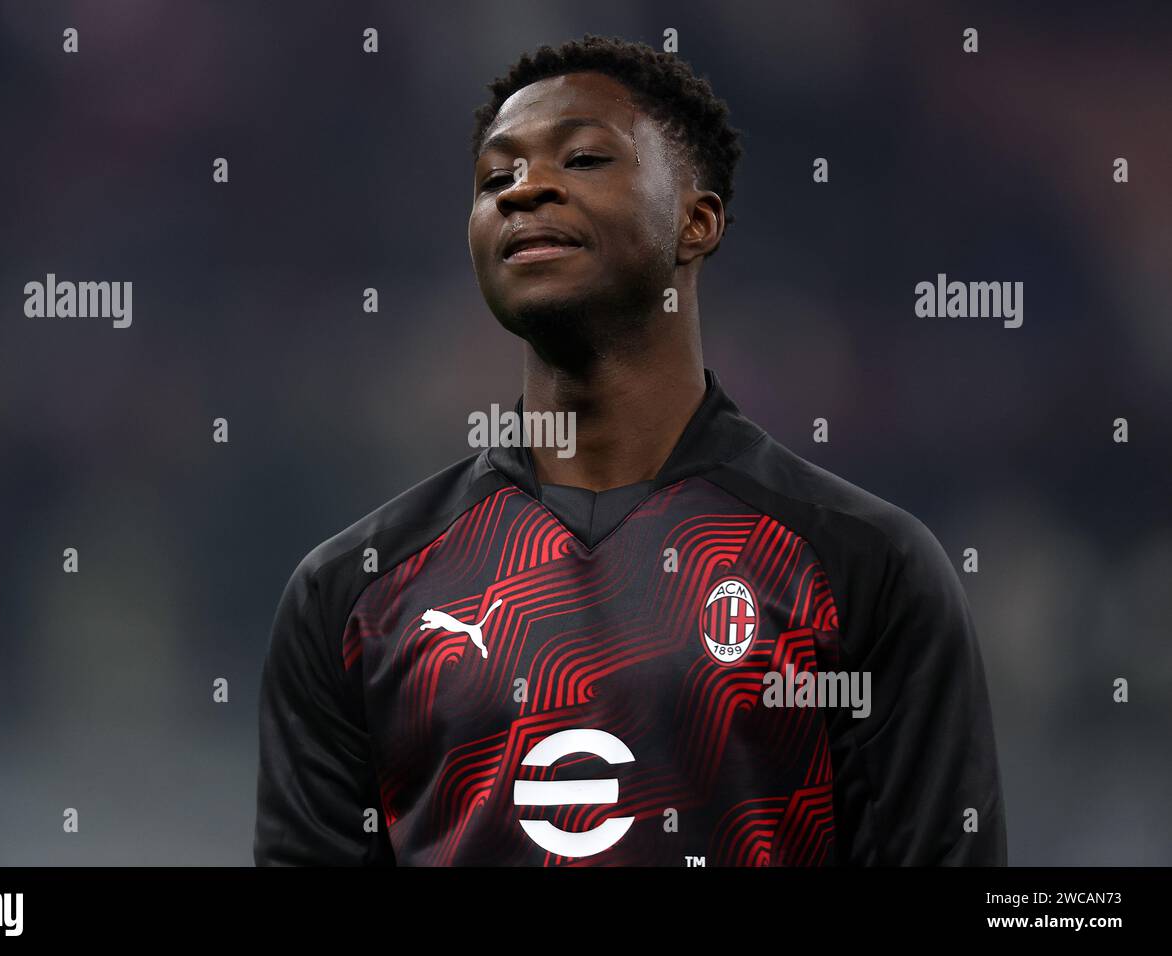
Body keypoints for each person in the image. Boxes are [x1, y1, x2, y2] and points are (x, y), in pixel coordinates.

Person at [254, 34, 1007, 866]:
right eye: (494, 178)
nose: (525, 188)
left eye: (580, 158)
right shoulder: (351, 593)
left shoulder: (865, 567)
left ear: (698, 219)